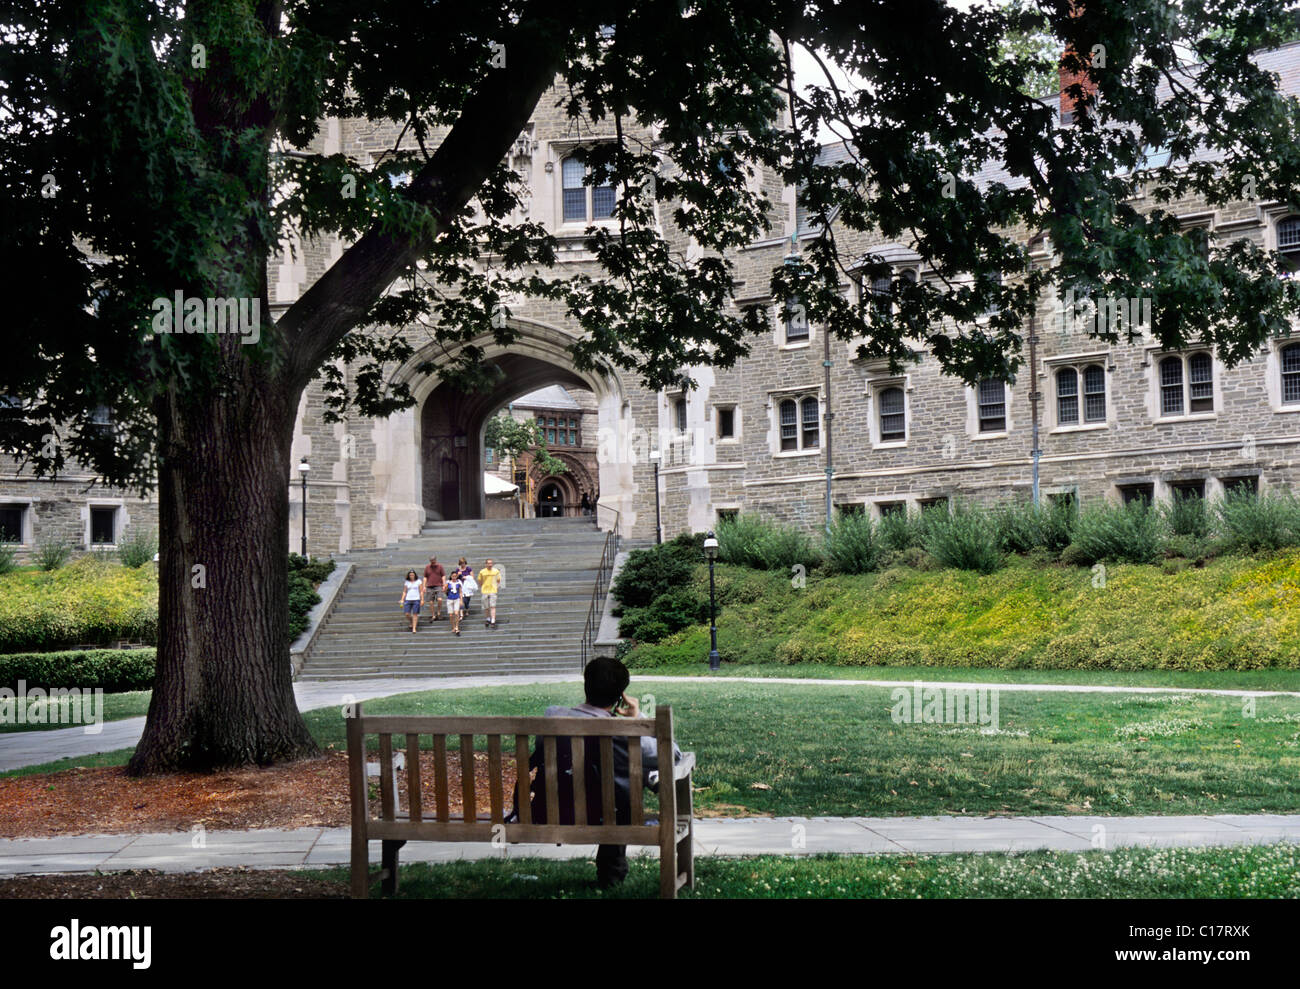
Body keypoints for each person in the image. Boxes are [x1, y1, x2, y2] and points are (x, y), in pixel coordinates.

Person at [508, 656, 681, 888]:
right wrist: (636, 719)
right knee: (624, 785)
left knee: (608, 780)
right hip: (606, 815)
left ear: (586, 685)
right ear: (620, 696)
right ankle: (612, 874)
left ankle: (611, 873)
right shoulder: (621, 732)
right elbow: (672, 755)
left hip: (551, 810)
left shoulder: (552, 717)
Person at [477, 558, 503, 628]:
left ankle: (493, 620)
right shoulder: (482, 572)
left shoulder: (496, 571)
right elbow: (479, 580)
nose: (490, 564)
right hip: (485, 590)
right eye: (488, 563)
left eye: (491, 563)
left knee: (493, 606)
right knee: (486, 606)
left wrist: (496, 587)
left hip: (493, 590)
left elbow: (498, 580)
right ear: (486, 564)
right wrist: (482, 586)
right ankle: (488, 618)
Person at [422, 556, 445, 623]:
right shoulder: (427, 567)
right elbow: (425, 577)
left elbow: (443, 576)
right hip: (430, 586)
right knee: (431, 601)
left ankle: (438, 612)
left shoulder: (440, 566)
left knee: (439, 599)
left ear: (435, 560)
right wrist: (424, 586)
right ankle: (433, 615)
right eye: (431, 561)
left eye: (434, 561)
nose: (433, 562)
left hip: (438, 585)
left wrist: (444, 584)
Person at [444, 568, 464, 636]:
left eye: (455, 576)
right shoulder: (448, 582)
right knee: (451, 614)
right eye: (453, 576)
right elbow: (445, 590)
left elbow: (461, 592)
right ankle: (453, 627)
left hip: (457, 599)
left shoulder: (459, 582)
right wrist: (445, 589)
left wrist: (461, 600)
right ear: (451, 576)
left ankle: (457, 627)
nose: (454, 577)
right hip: (450, 599)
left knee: (456, 613)